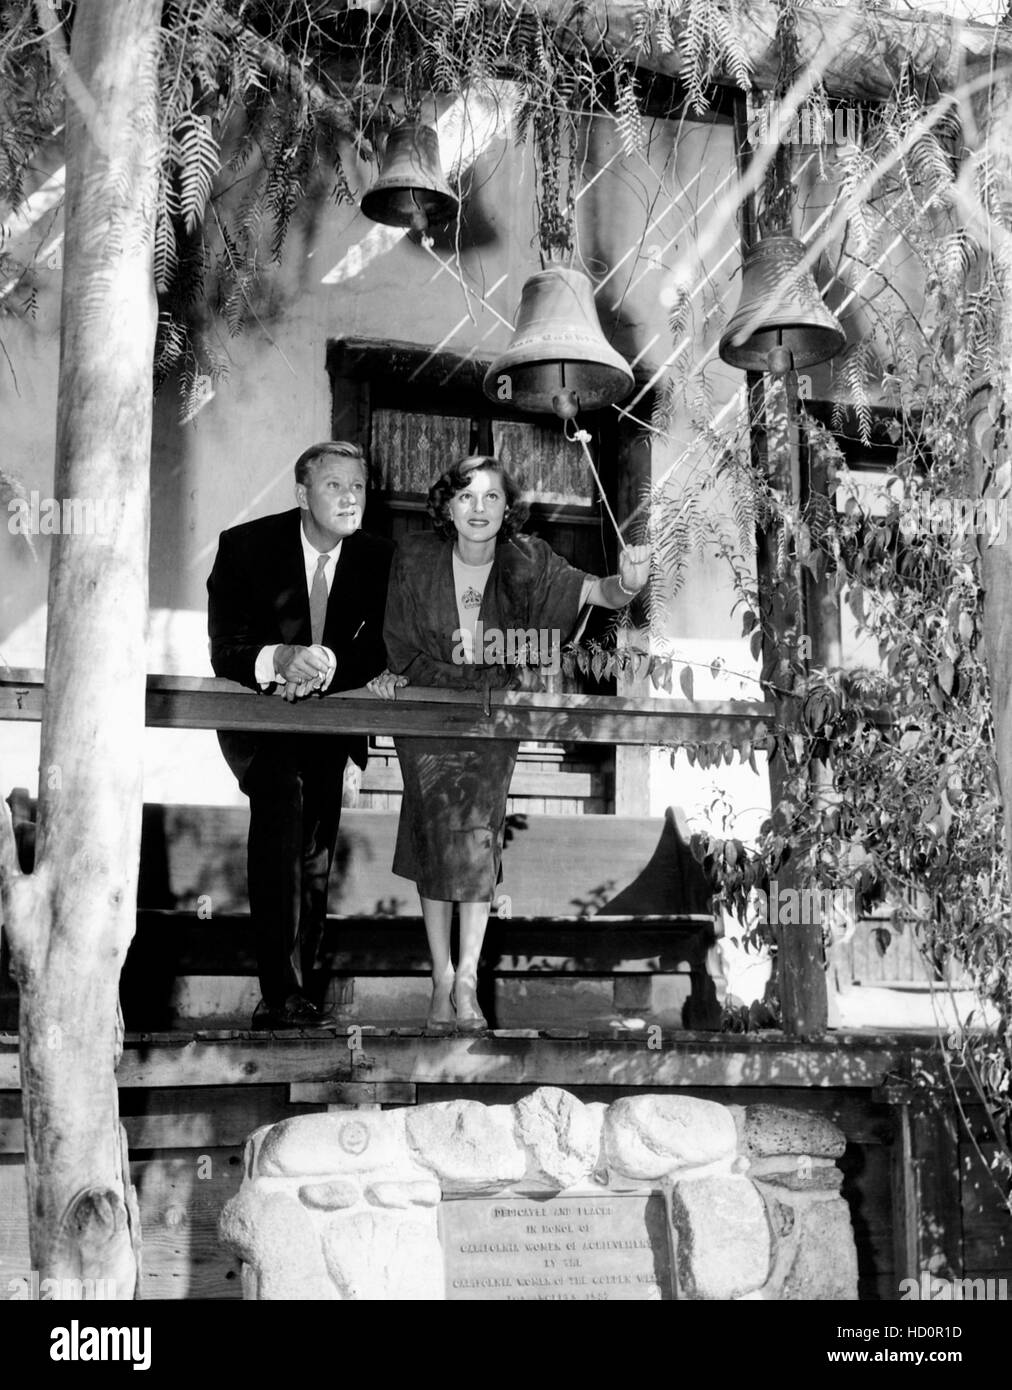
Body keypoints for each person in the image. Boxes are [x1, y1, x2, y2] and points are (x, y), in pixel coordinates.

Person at [373, 454, 650, 1035]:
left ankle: (466, 980)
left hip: (493, 717)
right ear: (448, 506)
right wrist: (431, 674)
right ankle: (440, 976)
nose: (479, 509)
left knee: (476, 837)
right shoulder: (414, 556)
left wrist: (628, 581)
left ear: (507, 508)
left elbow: (595, 592)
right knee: (434, 834)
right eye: (466, 496)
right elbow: (396, 640)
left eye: (492, 497)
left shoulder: (528, 558)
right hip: (428, 714)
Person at [207, 440, 393, 1029]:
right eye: (334, 485)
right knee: (281, 816)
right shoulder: (246, 547)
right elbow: (226, 648)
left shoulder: (379, 557)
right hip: (263, 723)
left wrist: (331, 665)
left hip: (329, 723)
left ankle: (297, 992)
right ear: (302, 494)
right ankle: (280, 990)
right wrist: (279, 658)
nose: (350, 497)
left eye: (358, 486)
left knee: (315, 850)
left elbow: (383, 644)